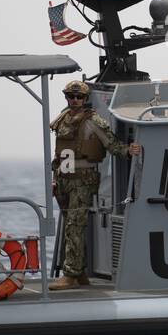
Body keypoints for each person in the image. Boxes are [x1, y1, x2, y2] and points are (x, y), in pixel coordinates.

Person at [49, 80, 141, 290]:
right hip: (63, 179)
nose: (74, 100)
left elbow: (111, 143)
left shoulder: (94, 121)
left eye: (79, 97)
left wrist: (128, 150)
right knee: (70, 225)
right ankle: (80, 272)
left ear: (85, 99)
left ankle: (70, 274)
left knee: (75, 225)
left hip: (82, 181)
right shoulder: (63, 118)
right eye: (70, 96)